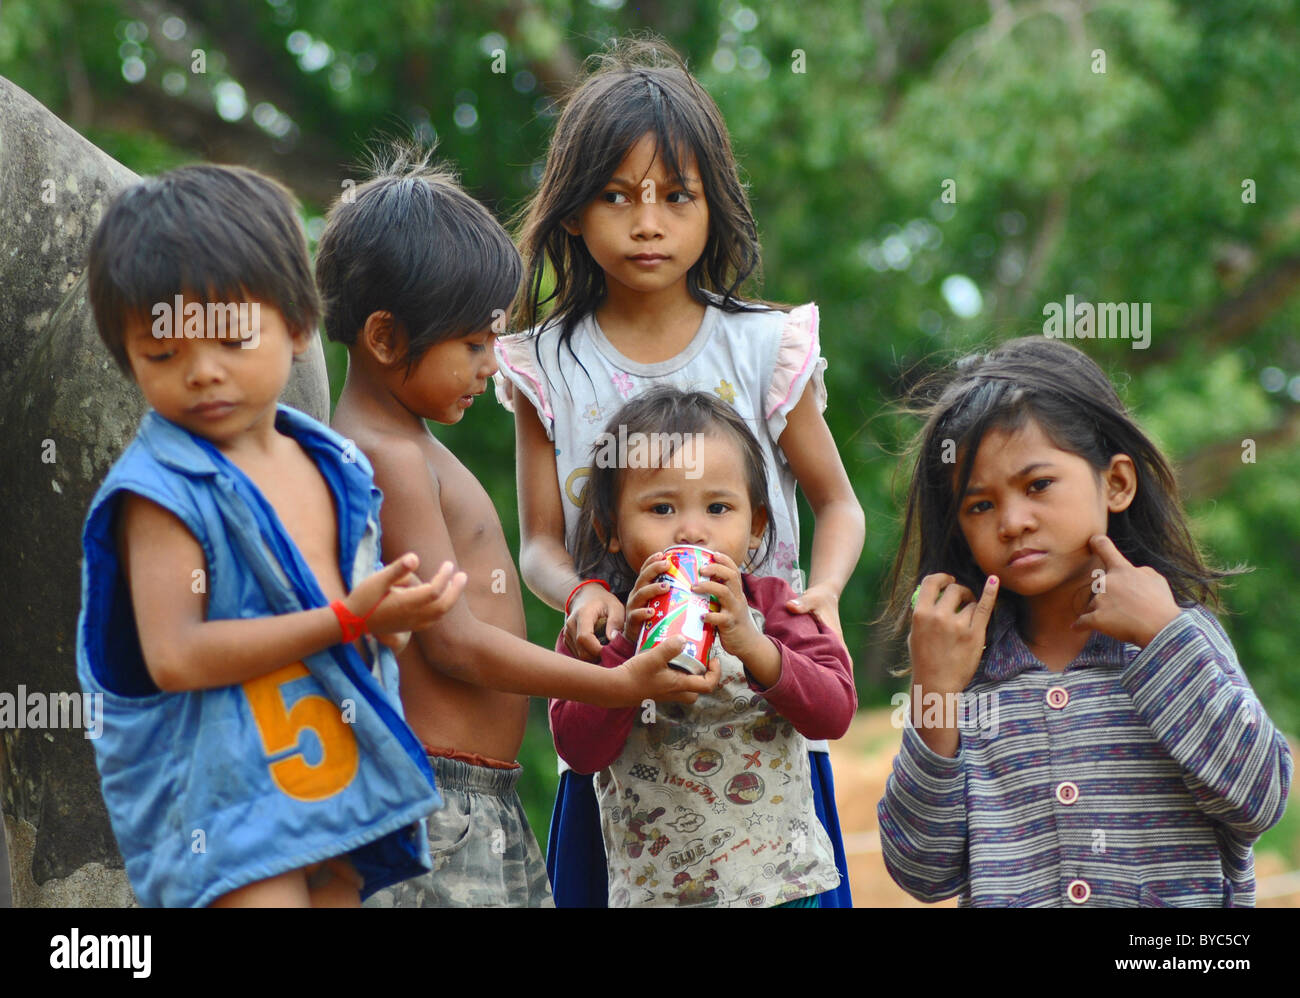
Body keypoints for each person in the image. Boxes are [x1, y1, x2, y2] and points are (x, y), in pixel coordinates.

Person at [496, 36, 864, 907]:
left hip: (763, 738)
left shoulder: (765, 345)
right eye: (617, 196)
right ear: (575, 212)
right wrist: (582, 594)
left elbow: (837, 502)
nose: (648, 221)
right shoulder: (546, 366)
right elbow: (541, 545)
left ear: (714, 207)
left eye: (675, 196)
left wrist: (826, 595)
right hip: (624, 727)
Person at [319, 146, 718, 908]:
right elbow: (455, 643)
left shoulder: (413, 446)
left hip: (478, 800)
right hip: (436, 807)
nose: (489, 366)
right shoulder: (385, 454)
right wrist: (615, 683)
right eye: (472, 344)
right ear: (384, 337)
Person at [78, 164, 467, 908]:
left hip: (335, 783)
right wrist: (351, 618)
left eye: (229, 338)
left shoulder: (335, 465)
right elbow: (176, 656)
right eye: (162, 353)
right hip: (228, 812)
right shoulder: (162, 493)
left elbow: (348, 626)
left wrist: (392, 624)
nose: (201, 371)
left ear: (296, 324)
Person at [876, 336, 1293, 906]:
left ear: (1116, 483)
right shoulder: (964, 676)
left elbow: (1261, 797)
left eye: (1038, 485)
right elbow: (923, 872)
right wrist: (933, 692)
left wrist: (1163, 638)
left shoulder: (1177, 637)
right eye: (980, 505)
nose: (1013, 521)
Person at [550, 388, 855, 906]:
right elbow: (578, 751)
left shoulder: (779, 608)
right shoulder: (598, 630)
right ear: (611, 530)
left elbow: (834, 713)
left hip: (783, 887)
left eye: (719, 507)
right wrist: (626, 649)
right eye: (661, 507)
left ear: (756, 525)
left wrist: (754, 645)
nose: (692, 530)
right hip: (659, 896)